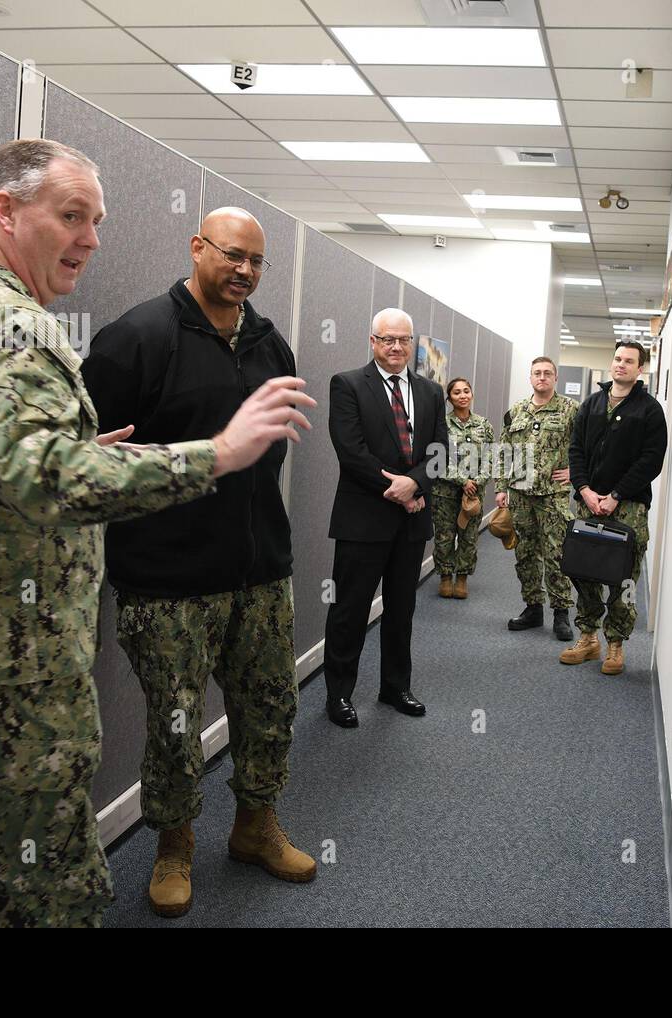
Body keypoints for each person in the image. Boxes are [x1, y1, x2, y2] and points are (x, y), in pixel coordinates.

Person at [0, 139, 314, 927]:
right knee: (47, 895)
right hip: (7, 667)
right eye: (71, 216)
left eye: (97, 220)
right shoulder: (24, 326)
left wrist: (80, 454)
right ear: (6, 211)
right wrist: (214, 454)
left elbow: (13, 461)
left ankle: (254, 825)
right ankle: (174, 847)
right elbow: (45, 475)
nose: (90, 238)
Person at [82, 207, 315, 918]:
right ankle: (174, 846)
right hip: (170, 582)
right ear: (196, 248)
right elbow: (88, 460)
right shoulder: (136, 339)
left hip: (260, 571)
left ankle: (254, 828)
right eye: (230, 255)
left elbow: (271, 452)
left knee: (269, 709)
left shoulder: (271, 345)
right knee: (177, 726)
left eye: (255, 261)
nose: (243, 270)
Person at [323, 308, 448, 727]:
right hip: (363, 520)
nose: (396, 346)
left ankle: (396, 687)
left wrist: (415, 485)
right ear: (372, 341)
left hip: (411, 522)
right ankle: (339, 694)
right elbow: (351, 450)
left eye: (403, 340)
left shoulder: (431, 392)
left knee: (402, 609)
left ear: (412, 344)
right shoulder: (348, 385)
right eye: (387, 339)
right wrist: (398, 490)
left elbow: (440, 452)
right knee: (350, 609)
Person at [560, 341, 668, 675]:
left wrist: (616, 494)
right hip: (588, 502)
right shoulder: (591, 404)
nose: (620, 365)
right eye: (617, 359)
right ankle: (588, 637)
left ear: (641, 369)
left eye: (629, 361)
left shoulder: (648, 410)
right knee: (583, 570)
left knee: (624, 579)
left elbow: (651, 460)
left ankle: (616, 645)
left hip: (628, 506)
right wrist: (585, 490)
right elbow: (575, 450)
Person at [495, 357, 580, 641]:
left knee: (557, 555)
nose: (542, 377)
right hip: (520, 495)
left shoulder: (571, 410)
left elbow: (589, 446)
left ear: (555, 378)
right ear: (530, 377)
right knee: (525, 554)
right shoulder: (516, 411)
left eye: (547, 373)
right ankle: (533, 608)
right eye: (537, 373)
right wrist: (501, 488)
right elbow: (504, 451)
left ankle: (561, 613)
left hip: (553, 497)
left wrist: (576, 472)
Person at [432, 377, 494, 600]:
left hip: (474, 494)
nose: (462, 395)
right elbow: (437, 457)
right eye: (456, 392)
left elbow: (490, 457)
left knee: (468, 538)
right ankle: (446, 576)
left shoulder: (483, 424)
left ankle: (462, 578)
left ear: (472, 394)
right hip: (445, 493)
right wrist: (462, 481)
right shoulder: (441, 424)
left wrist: (477, 481)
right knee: (445, 536)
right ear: (449, 398)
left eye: (466, 391)